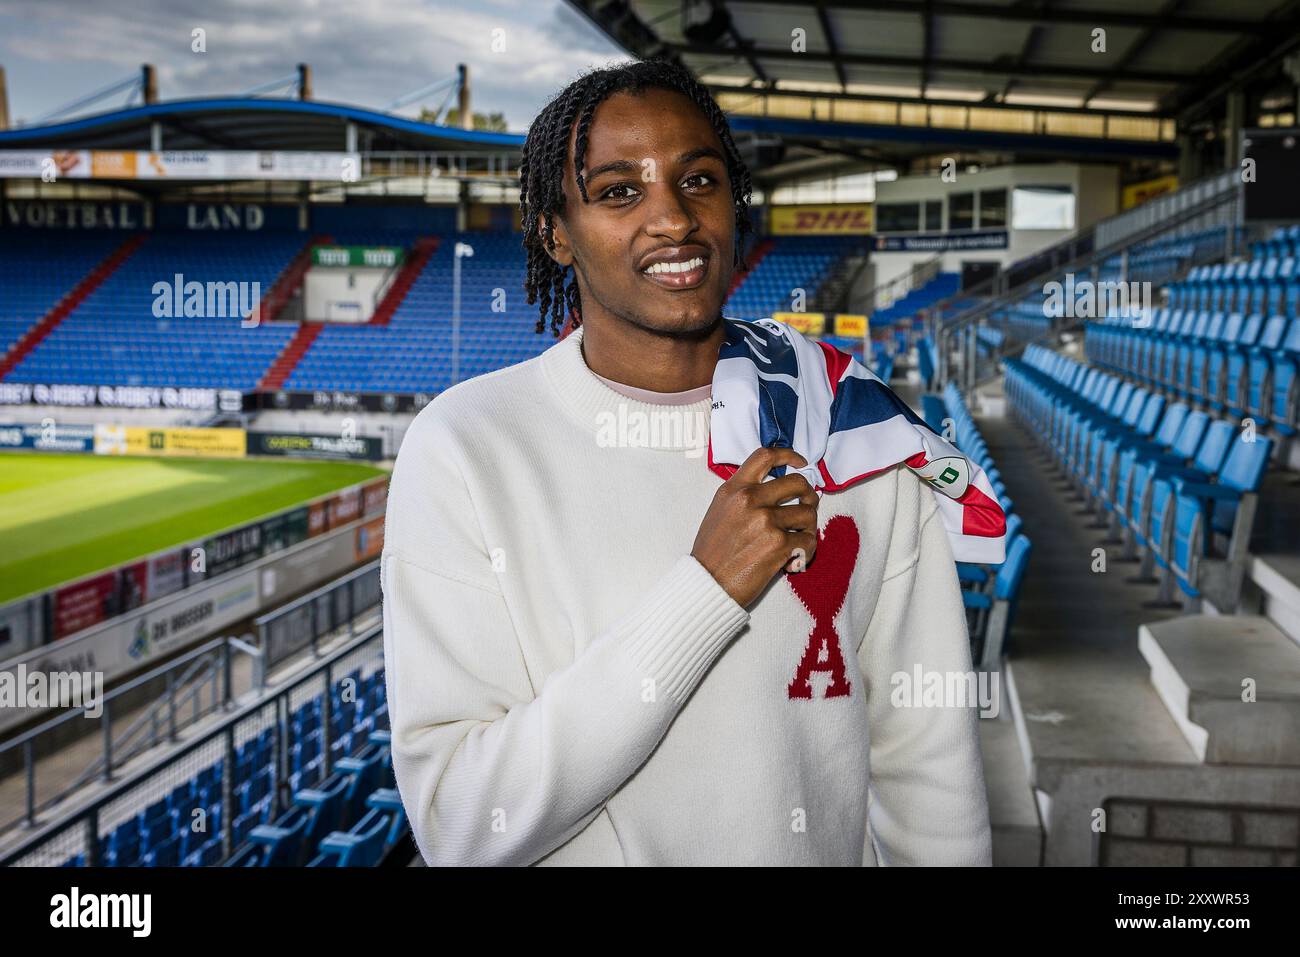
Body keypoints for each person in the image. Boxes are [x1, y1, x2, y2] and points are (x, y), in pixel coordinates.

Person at [381, 59, 993, 866]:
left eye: (698, 179)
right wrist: (705, 591)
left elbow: (930, 771)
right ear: (554, 231)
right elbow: (460, 822)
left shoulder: (853, 431)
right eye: (617, 191)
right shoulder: (464, 446)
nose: (671, 217)